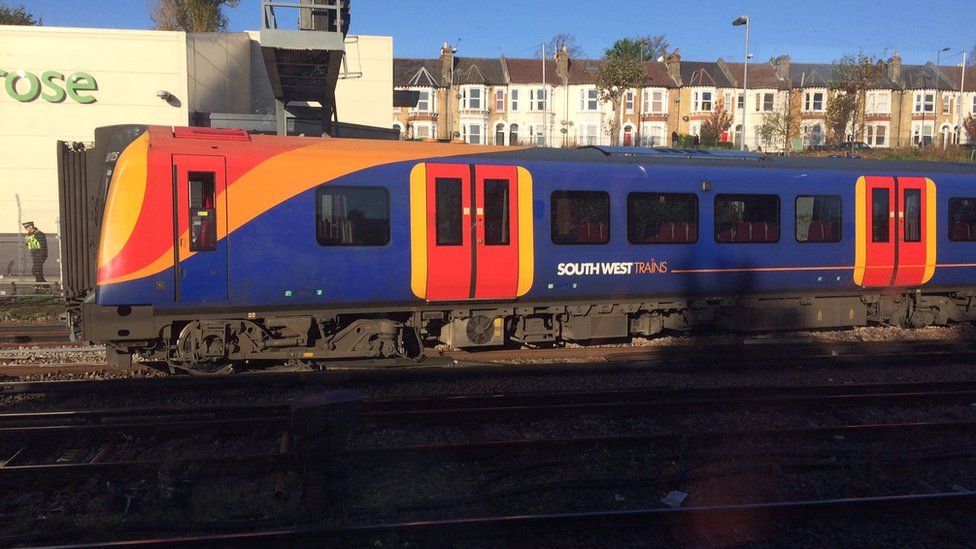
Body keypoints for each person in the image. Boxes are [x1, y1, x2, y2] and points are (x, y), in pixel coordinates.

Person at [22, 221, 48, 286]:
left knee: (35, 270)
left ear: (31, 227)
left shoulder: (39, 234)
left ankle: (44, 285)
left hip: (40, 254)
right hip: (34, 255)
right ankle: (39, 284)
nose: (26, 229)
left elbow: (43, 246)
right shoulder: (29, 235)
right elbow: (30, 245)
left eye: (26, 228)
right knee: (38, 271)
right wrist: (26, 242)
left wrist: (41, 255)